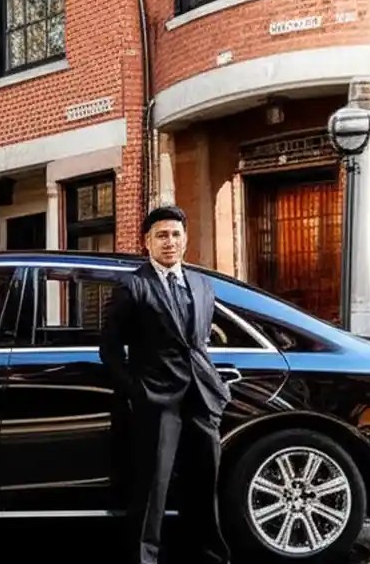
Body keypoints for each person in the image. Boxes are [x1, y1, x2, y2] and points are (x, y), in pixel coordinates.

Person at [100, 205, 232, 564]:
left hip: (202, 399)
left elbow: (201, 340)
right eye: (161, 235)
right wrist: (137, 391)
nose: (169, 242)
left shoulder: (204, 284)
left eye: (175, 234)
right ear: (147, 242)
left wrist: (215, 385)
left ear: (185, 240)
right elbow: (109, 350)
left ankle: (209, 556)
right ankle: (145, 557)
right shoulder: (132, 285)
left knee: (205, 483)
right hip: (157, 401)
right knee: (152, 488)